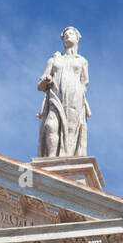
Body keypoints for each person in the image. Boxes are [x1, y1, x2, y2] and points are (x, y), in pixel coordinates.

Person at [37, 27, 91, 157]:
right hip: (55, 96)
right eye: (65, 34)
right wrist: (46, 81)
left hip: (74, 98)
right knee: (50, 125)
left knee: (71, 129)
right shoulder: (54, 60)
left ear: (78, 38)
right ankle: (51, 158)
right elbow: (40, 85)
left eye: (71, 33)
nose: (68, 35)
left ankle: (67, 157)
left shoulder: (82, 61)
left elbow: (84, 82)